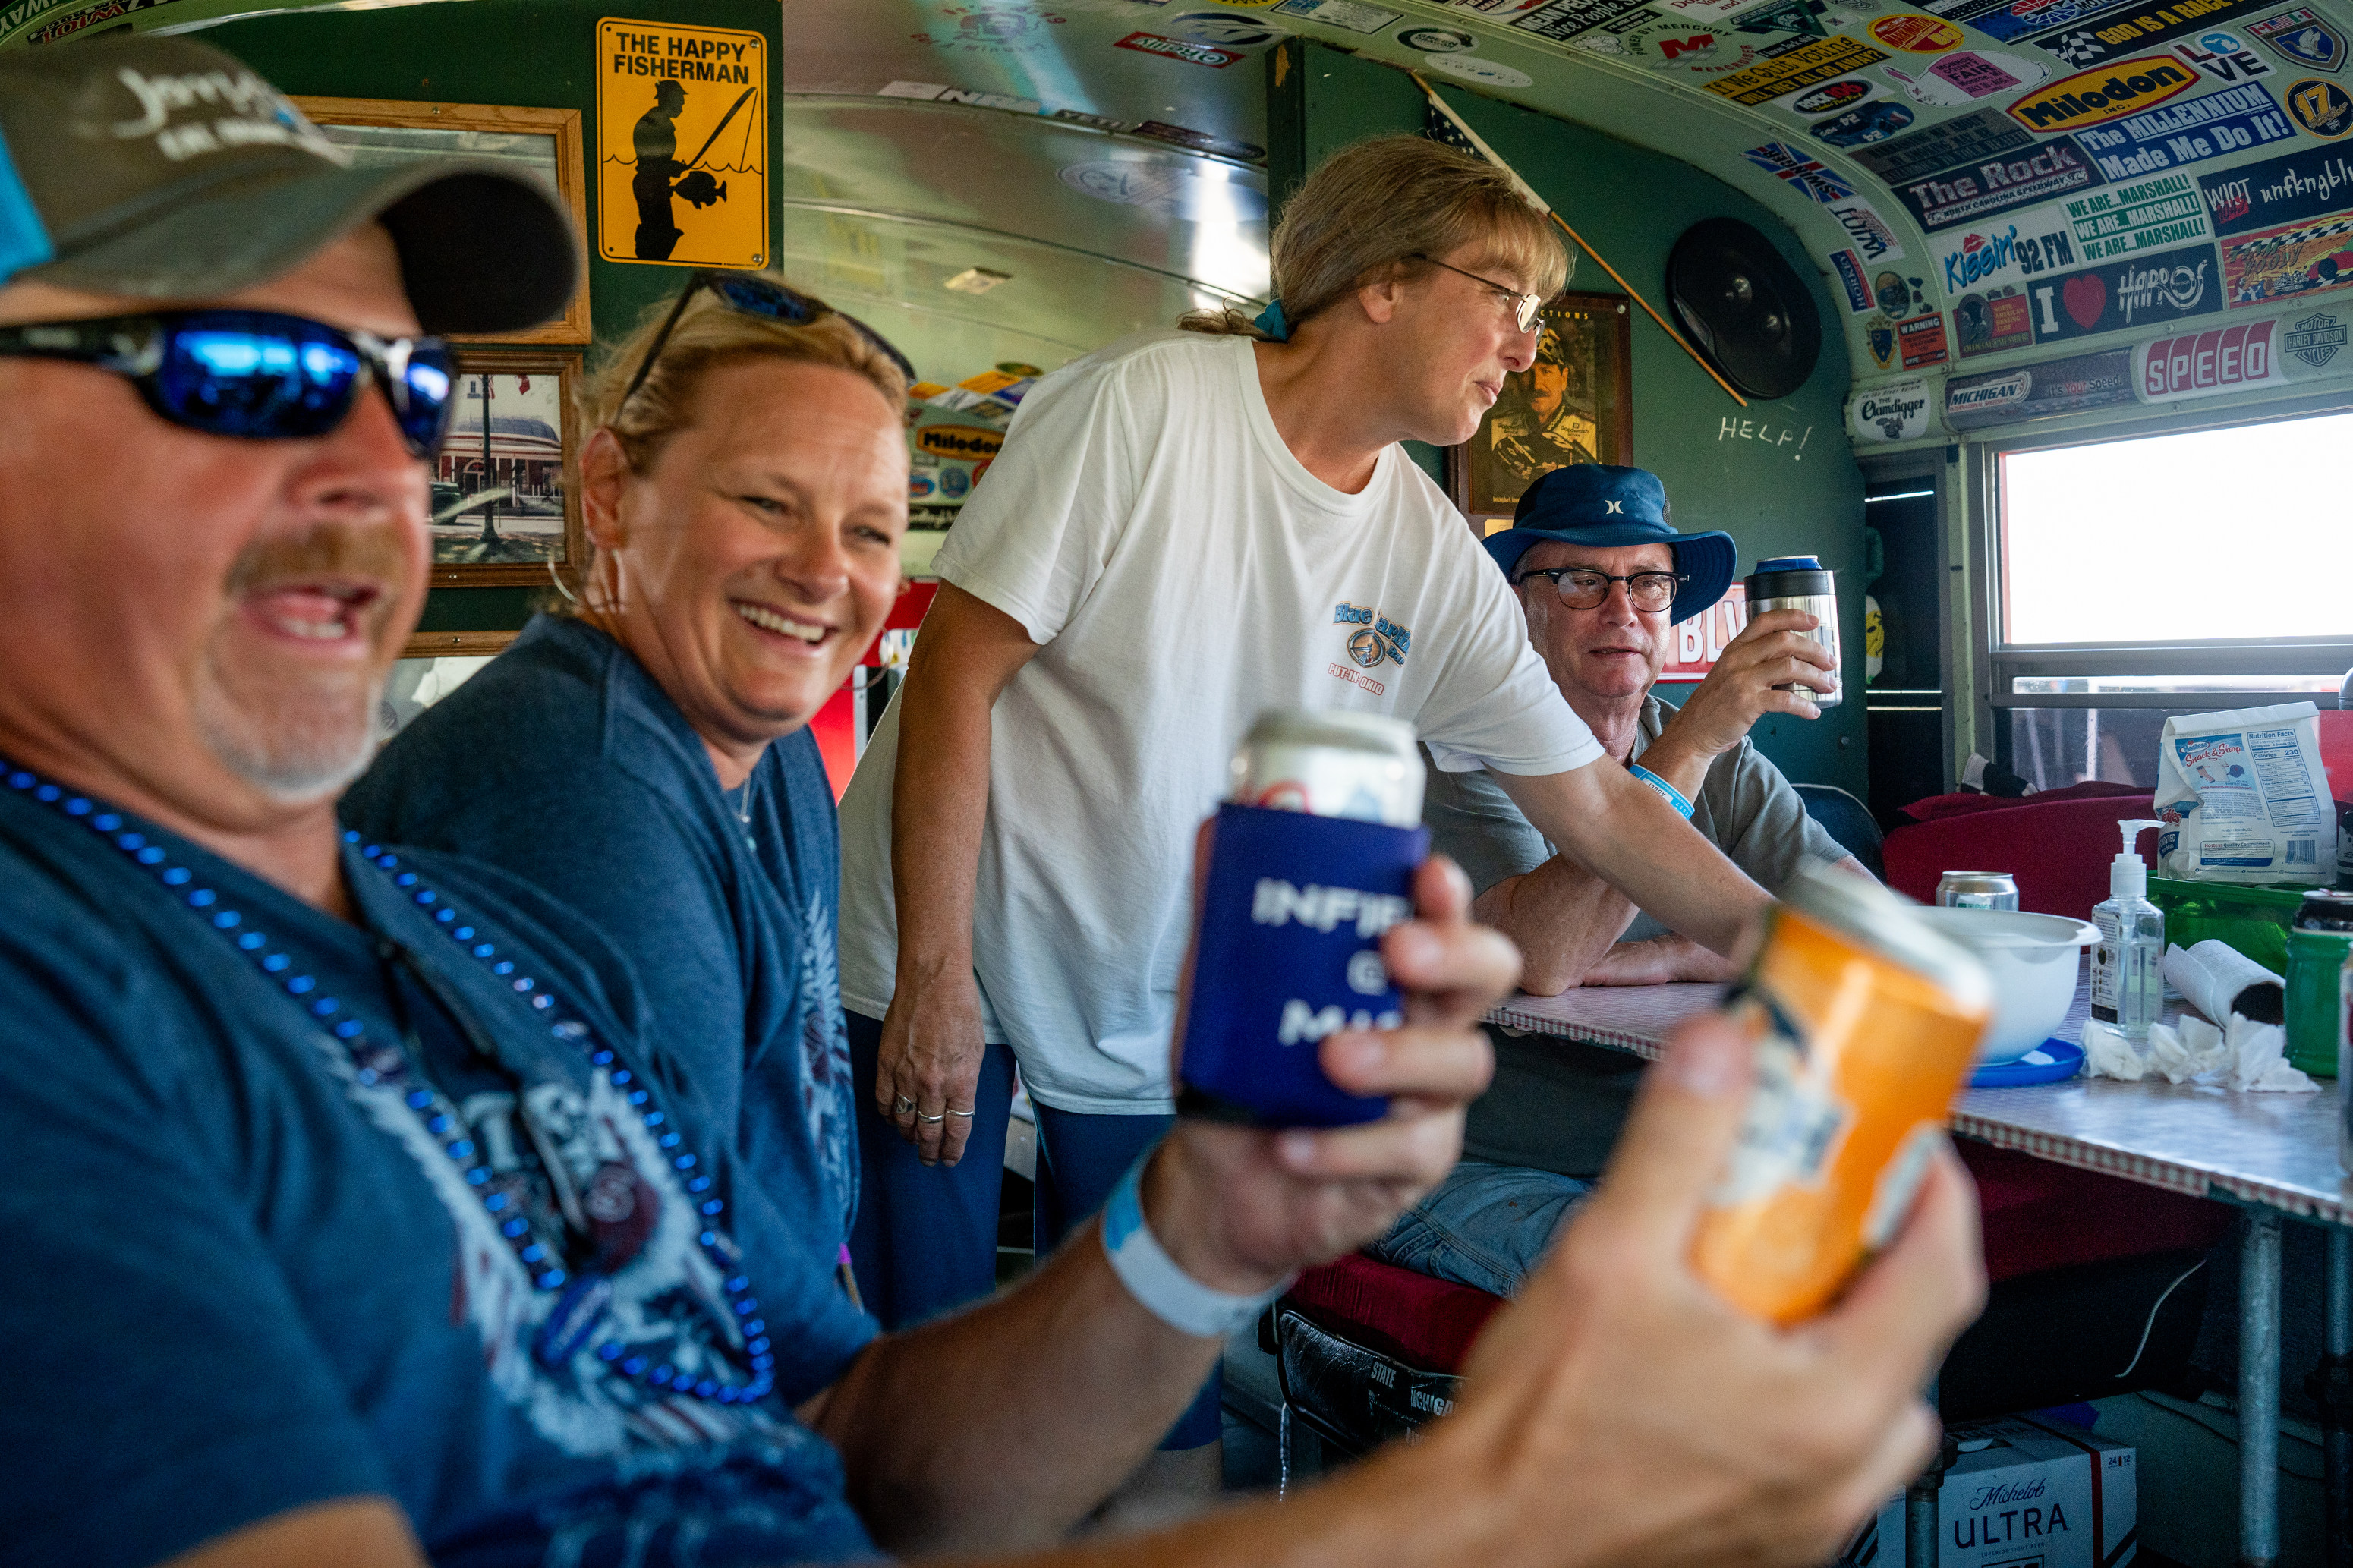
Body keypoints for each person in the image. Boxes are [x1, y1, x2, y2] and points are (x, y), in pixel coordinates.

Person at [0, 36, 1983, 1568]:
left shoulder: (455, 944)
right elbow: (961, 668)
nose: (371, 463)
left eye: (404, 390)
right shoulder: (80, 999)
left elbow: (845, 1442)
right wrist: (1513, 1507)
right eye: (247, 372)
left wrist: (1204, 1234)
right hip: (989, 1006)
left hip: (1150, 1051)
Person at [834, 133, 1775, 1494]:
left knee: (1148, 1414)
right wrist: (930, 974)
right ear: (1380, 282)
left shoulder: (1426, 550)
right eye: (1502, 302)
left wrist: (1797, 944)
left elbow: (1593, 807)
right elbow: (954, 679)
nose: (1525, 349)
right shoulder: (1145, 411)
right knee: (940, 1394)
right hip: (945, 934)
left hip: (1153, 991)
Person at [343, 269, 912, 1336]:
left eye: (872, 530)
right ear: (606, 490)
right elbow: (653, 1303)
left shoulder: (767, 742)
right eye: (766, 501)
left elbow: (780, 1147)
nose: (824, 569)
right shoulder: (574, 791)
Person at [1367, 463, 1859, 1299]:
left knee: (1872, 1272)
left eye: (1648, 581)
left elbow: (1861, 934)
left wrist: (1670, 955)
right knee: (1694, 1294)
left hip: (1677, 1153)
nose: (1622, 610)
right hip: (1473, 1164)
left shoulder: (1710, 751)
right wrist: (1693, 744)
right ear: (1517, 602)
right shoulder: (1453, 753)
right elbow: (1544, 958)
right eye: (1581, 579)